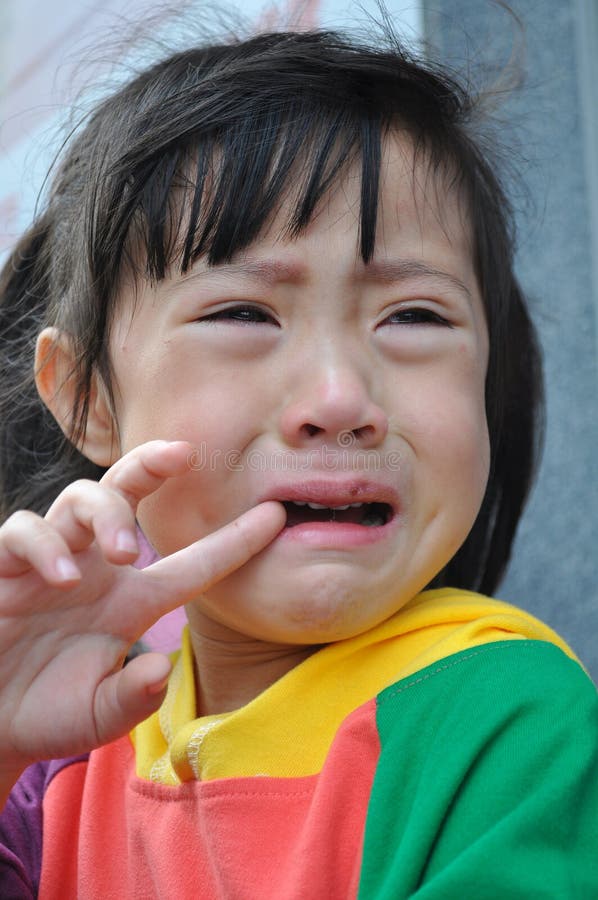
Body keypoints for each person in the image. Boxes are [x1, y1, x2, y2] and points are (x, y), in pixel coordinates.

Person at [0, 23, 596, 899]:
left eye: (415, 317)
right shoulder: (60, 763)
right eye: (243, 314)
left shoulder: (505, 719)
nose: (337, 400)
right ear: (88, 396)